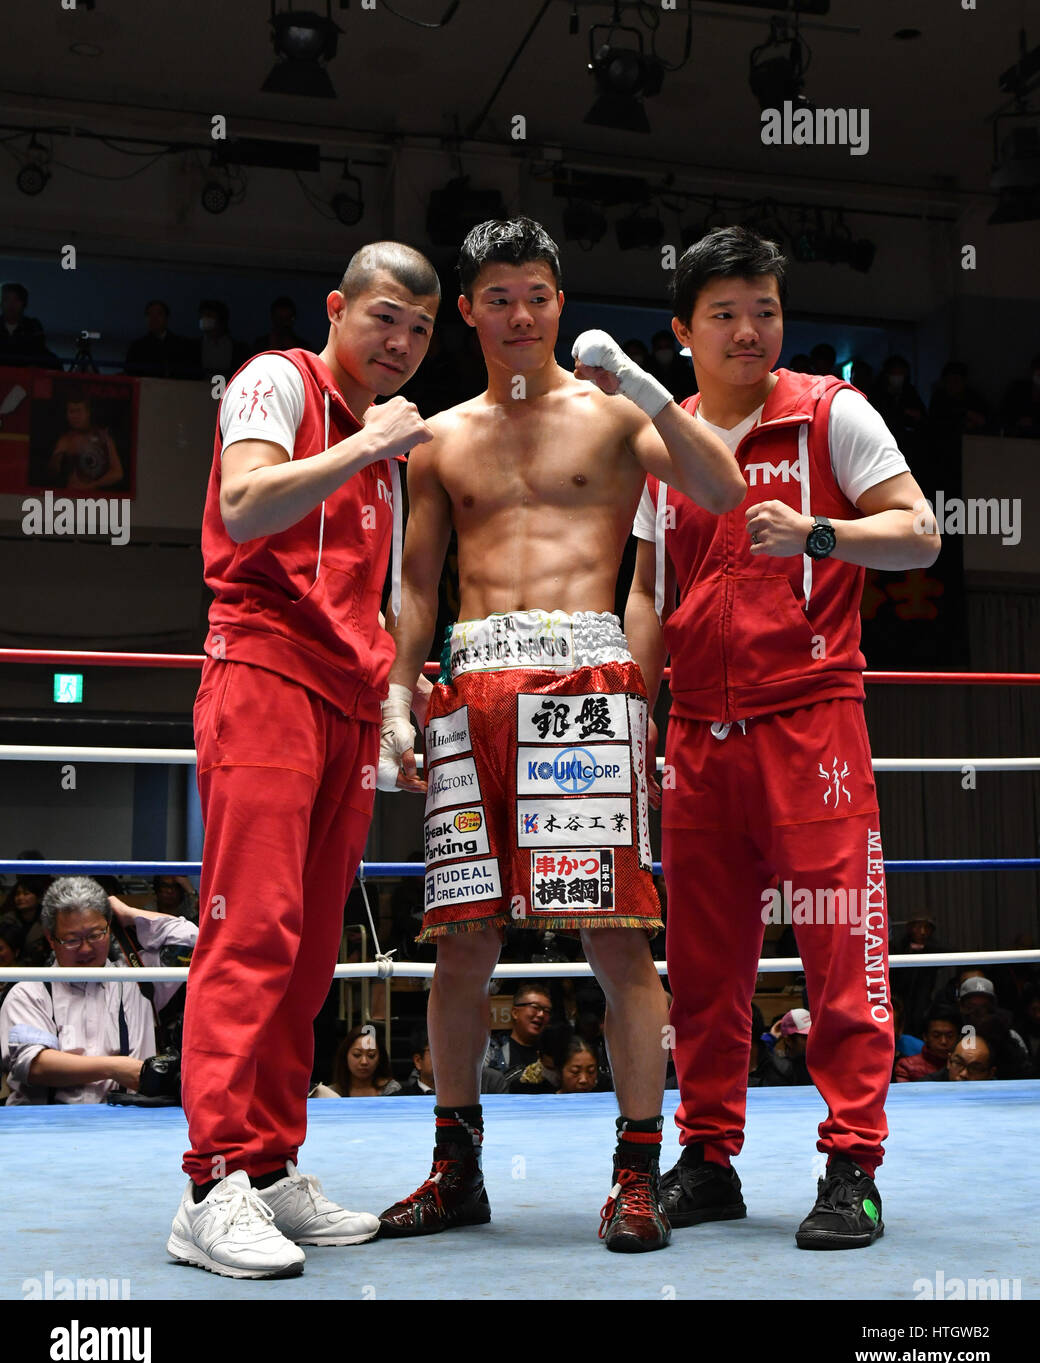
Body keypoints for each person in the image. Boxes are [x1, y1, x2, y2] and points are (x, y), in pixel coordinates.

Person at [376, 216, 745, 1254]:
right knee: (461, 944)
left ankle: (635, 1177)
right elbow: (413, 582)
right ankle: (455, 1172)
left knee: (617, 939)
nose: (519, 315)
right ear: (467, 311)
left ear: (560, 301)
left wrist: (644, 383)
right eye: (497, 297)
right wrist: (396, 695)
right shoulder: (439, 435)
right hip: (473, 680)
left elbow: (721, 488)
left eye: (536, 293)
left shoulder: (616, 416)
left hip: (588, 681)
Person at [625, 225, 941, 1252]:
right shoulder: (661, 439)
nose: (748, 329)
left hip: (812, 723)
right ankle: (708, 1159)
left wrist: (817, 532)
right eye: (723, 313)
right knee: (701, 963)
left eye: (763, 309)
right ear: (682, 332)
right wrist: (637, 710)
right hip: (697, 738)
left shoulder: (830, 413)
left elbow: (918, 531)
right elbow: (644, 589)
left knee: (838, 946)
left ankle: (851, 1164)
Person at [170, 240, 441, 1280]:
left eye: (419, 330)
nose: (401, 343)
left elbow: (363, 607)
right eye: (383, 317)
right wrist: (364, 444)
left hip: (339, 704)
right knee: (252, 928)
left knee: (309, 947)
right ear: (338, 308)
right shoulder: (277, 379)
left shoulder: (388, 457)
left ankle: (269, 1161)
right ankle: (207, 1185)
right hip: (262, 678)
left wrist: (392, 713)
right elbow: (245, 507)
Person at [0, 878, 186, 1105]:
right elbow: (33, 1065)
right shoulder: (29, 992)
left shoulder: (139, 980)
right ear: (51, 939)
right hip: (45, 1129)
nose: (86, 948)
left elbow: (192, 940)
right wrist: (114, 1068)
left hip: (130, 1127)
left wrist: (127, 912)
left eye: (96, 934)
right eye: (72, 940)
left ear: (110, 927)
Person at [47, 394, 124, 490]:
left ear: (88, 413)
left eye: (78, 411)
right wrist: (57, 456)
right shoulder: (65, 439)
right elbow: (52, 474)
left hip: (98, 500)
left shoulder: (103, 437)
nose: (75, 416)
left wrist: (91, 486)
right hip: (71, 498)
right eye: (71, 412)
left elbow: (117, 473)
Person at [485, 981, 554, 1083]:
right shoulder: (492, 1049)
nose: (541, 1014)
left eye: (546, 1010)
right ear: (515, 1012)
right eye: (535, 1007)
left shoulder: (553, 1052)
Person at [124, 300, 196, 379]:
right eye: (150, 314)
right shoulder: (136, 347)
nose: (154, 318)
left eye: (159, 314)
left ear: (167, 318)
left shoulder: (182, 345)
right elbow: (130, 373)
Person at [330, 1025, 401, 1096]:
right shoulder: (331, 1094)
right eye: (357, 1055)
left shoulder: (391, 1090)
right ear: (345, 1056)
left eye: (371, 1055)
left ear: (380, 1058)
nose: (364, 1062)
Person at [893, 1005, 959, 1082]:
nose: (943, 1041)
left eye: (950, 1036)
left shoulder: (966, 1066)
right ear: (925, 1037)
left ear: (958, 1037)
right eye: (936, 1036)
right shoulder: (906, 1066)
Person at [0, 282, 59, 368]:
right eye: (6, 299)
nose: (11, 304)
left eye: (16, 300)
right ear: (1, 303)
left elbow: (39, 351)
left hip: (26, 375)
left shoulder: (33, 326)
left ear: (24, 304)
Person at [197, 299, 247, 380]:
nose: (204, 319)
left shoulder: (239, 348)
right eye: (202, 316)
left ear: (221, 319)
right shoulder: (192, 347)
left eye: (209, 315)